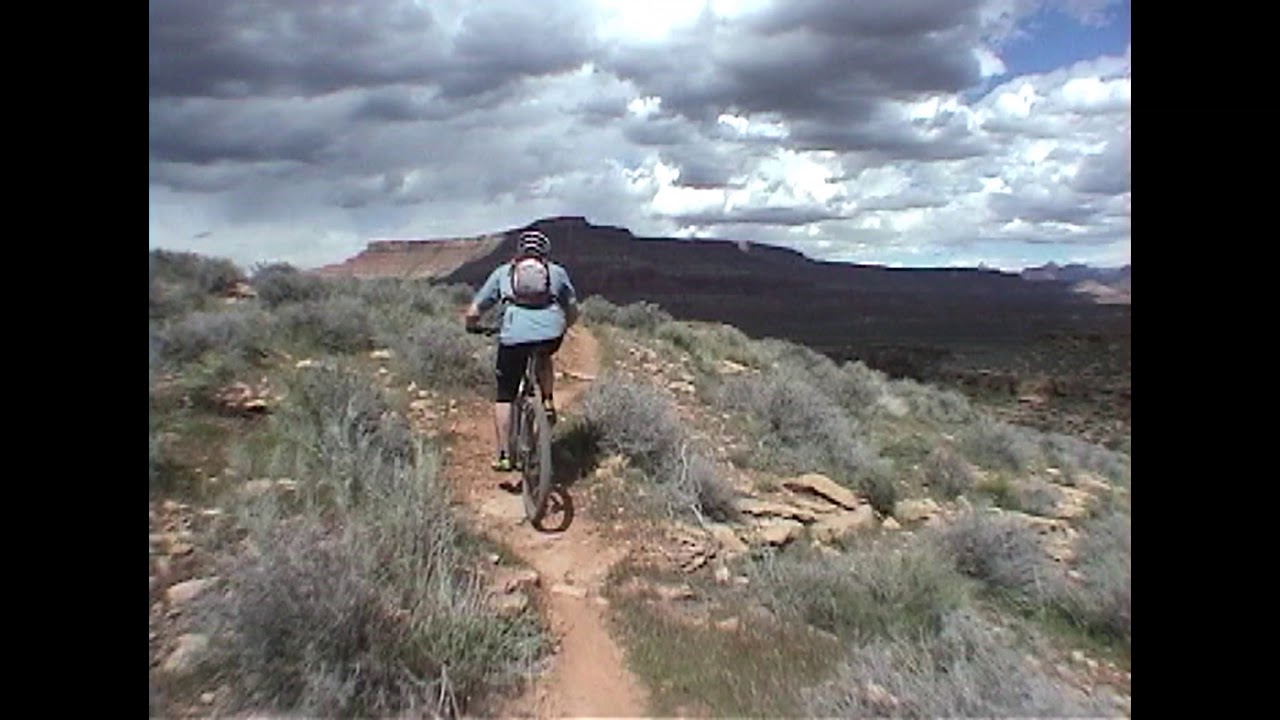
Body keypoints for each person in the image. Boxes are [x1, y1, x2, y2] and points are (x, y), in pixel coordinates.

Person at [464, 229, 579, 472]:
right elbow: (572, 309)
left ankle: (504, 455)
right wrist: (564, 326)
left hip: (513, 336)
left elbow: (474, 311)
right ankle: (547, 401)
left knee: (505, 395)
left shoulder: (503, 273)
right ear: (544, 253)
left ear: (519, 251)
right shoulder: (557, 273)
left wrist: (471, 325)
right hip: (550, 334)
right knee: (543, 354)